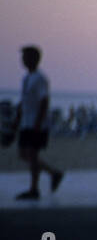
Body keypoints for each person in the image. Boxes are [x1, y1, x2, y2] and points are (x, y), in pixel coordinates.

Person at [14, 45, 64, 200]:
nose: (22, 60)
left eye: (25, 57)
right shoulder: (27, 78)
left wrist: (38, 123)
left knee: (32, 155)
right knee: (24, 154)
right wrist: (18, 118)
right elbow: (24, 101)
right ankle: (53, 173)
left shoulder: (40, 78)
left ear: (33, 59)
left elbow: (44, 101)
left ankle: (34, 188)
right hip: (26, 122)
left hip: (36, 124)